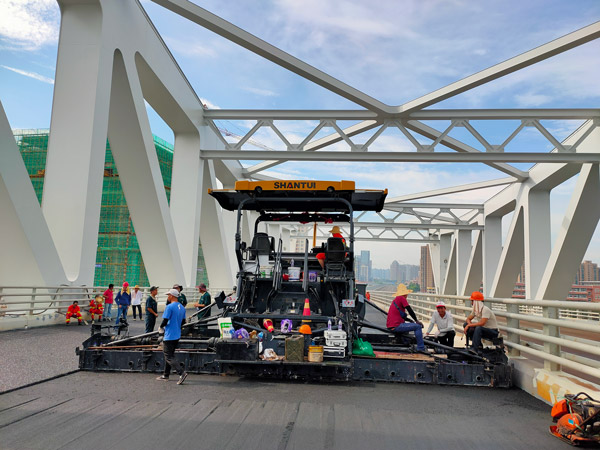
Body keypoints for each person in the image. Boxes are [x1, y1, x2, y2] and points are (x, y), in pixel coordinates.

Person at [156, 288, 188, 384]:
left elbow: (165, 320)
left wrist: (160, 327)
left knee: (168, 356)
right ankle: (166, 374)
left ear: (172, 296)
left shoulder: (169, 307)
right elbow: (183, 322)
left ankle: (181, 373)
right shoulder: (182, 307)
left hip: (169, 335)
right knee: (170, 355)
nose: (168, 297)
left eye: (168, 295)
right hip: (177, 334)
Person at [386, 283, 426, 351]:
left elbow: (402, 316)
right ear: (405, 294)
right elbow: (410, 310)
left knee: (409, 325)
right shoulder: (402, 298)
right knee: (417, 327)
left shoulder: (395, 300)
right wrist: (416, 320)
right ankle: (421, 348)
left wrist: (410, 320)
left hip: (391, 325)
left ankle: (406, 343)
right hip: (396, 326)